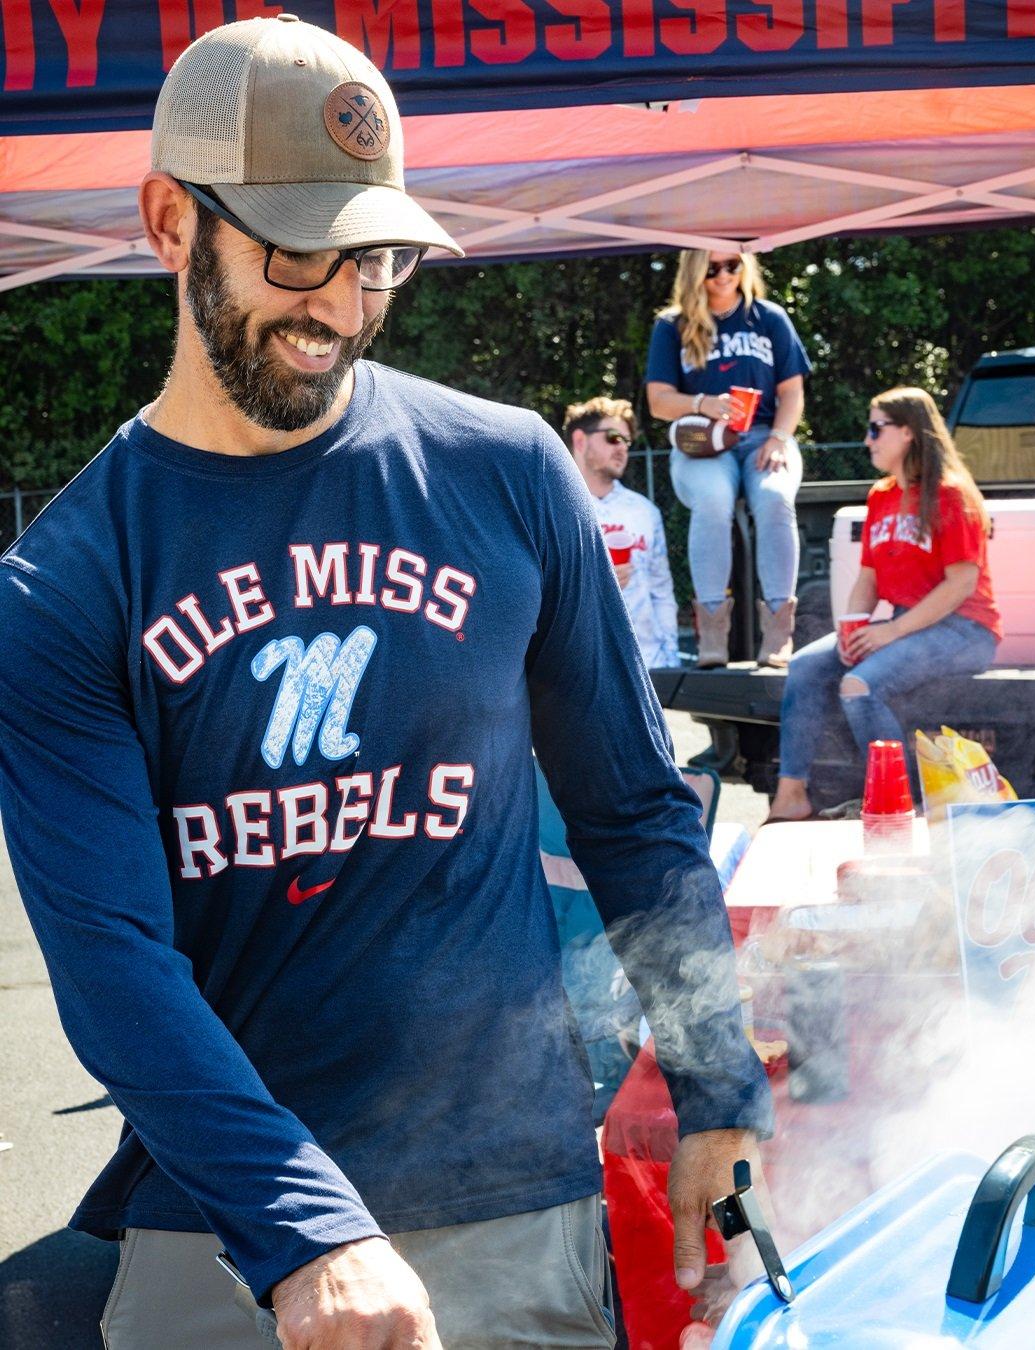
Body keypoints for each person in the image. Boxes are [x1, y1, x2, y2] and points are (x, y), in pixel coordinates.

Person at [0, 17, 773, 1350]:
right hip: (226, 1228)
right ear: (170, 223)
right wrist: (309, 1228)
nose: (342, 303)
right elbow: (115, 966)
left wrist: (718, 1083)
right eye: (299, 252)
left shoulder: (508, 471)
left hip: (515, 1199)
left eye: (378, 258)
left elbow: (635, 809)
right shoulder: (66, 583)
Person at [769, 387, 1002, 822]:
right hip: (906, 624)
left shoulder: (952, 494)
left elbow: (961, 585)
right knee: (804, 665)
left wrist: (890, 633)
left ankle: (902, 807)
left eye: (877, 429)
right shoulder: (881, 495)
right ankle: (791, 796)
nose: (867, 440)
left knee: (860, 686)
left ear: (910, 432)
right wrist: (853, 630)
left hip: (965, 630)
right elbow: (870, 578)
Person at [645, 249, 811, 668]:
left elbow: (792, 392)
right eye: (712, 268)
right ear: (694, 271)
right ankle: (712, 634)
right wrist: (702, 402)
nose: (723, 276)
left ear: (745, 266)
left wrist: (778, 438)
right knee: (714, 501)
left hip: (764, 436)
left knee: (775, 497)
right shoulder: (672, 325)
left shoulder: (769, 317)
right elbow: (659, 402)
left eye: (732, 265)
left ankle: (778, 633)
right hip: (705, 440)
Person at [564, 396, 680, 669]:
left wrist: (671, 657)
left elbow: (661, 590)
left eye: (627, 442)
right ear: (580, 441)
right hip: (579, 665)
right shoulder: (554, 507)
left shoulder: (644, 511)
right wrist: (592, 582)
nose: (623, 448)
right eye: (614, 437)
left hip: (648, 663)